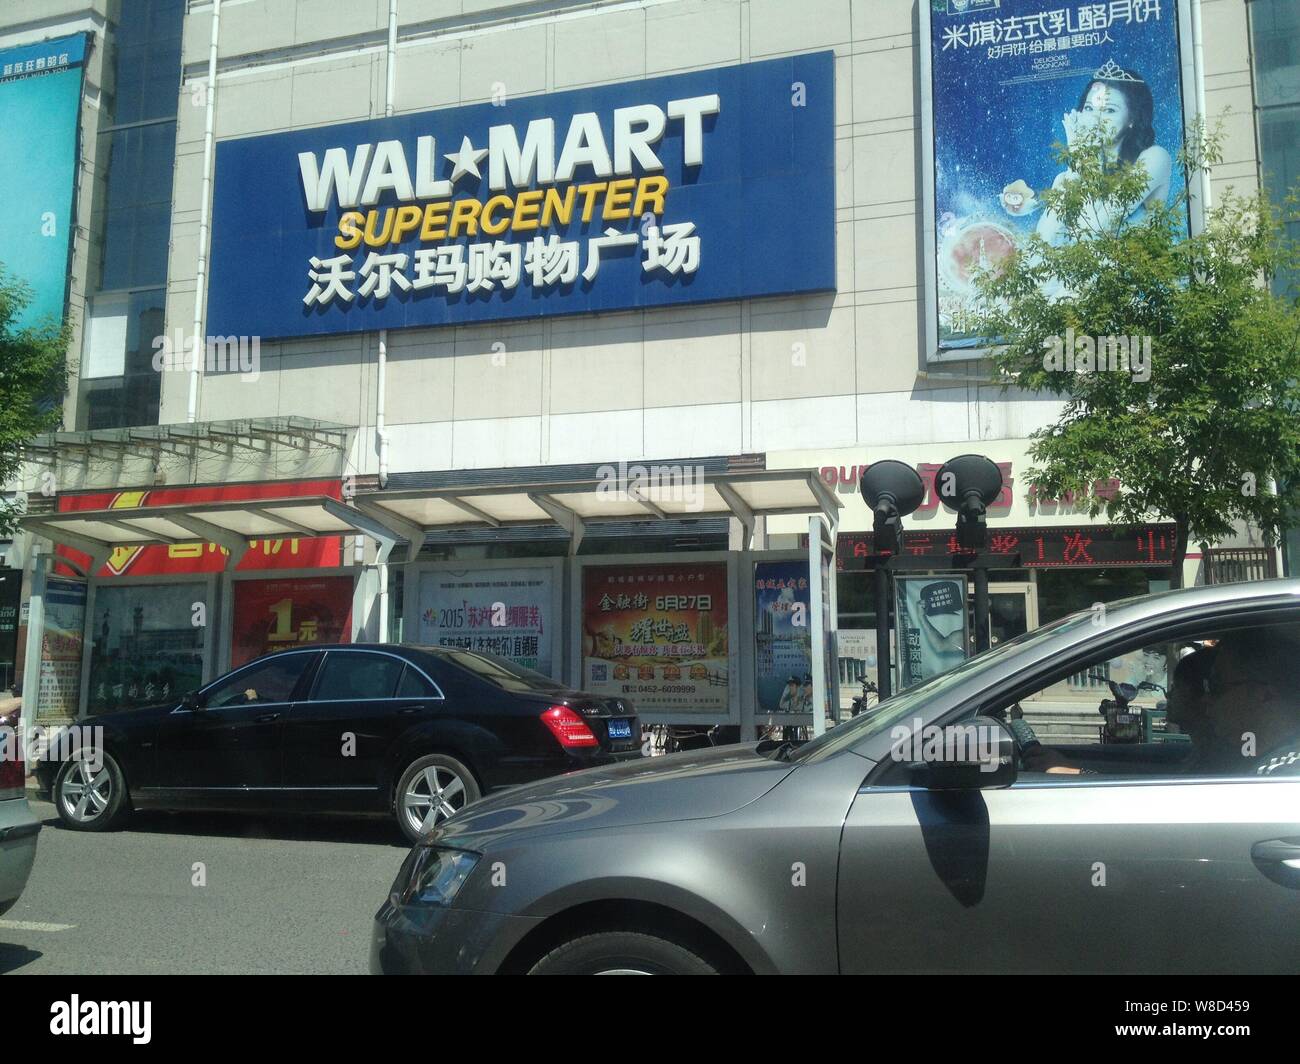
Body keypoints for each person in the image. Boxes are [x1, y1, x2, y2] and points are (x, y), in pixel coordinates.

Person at [1034, 61, 1173, 246]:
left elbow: (1096, 231)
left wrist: (1087, 158)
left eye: (1109, 110)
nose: (1095, 119)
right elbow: (1043, 242)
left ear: (1132, 118)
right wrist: (1076, 166)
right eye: (1089, 108)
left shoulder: (1155, 158)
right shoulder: (1066, 178)